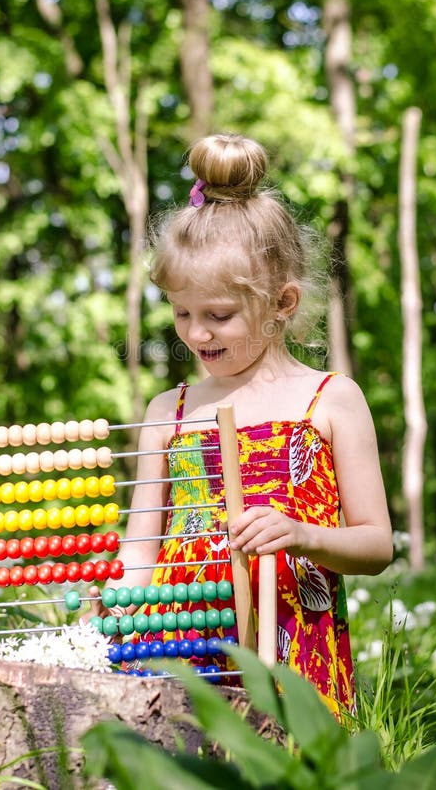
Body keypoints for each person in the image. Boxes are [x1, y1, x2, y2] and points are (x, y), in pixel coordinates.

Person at [91, 132, 393, 717]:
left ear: (282, 302)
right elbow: (140, 545)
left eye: (219, 316)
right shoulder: (168, 412)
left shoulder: (331, 400)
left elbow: (377, 545)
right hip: (183, 650)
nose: (196, 333)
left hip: (296, 659)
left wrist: (305, 534)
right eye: (182, 313)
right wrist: (116, 600)